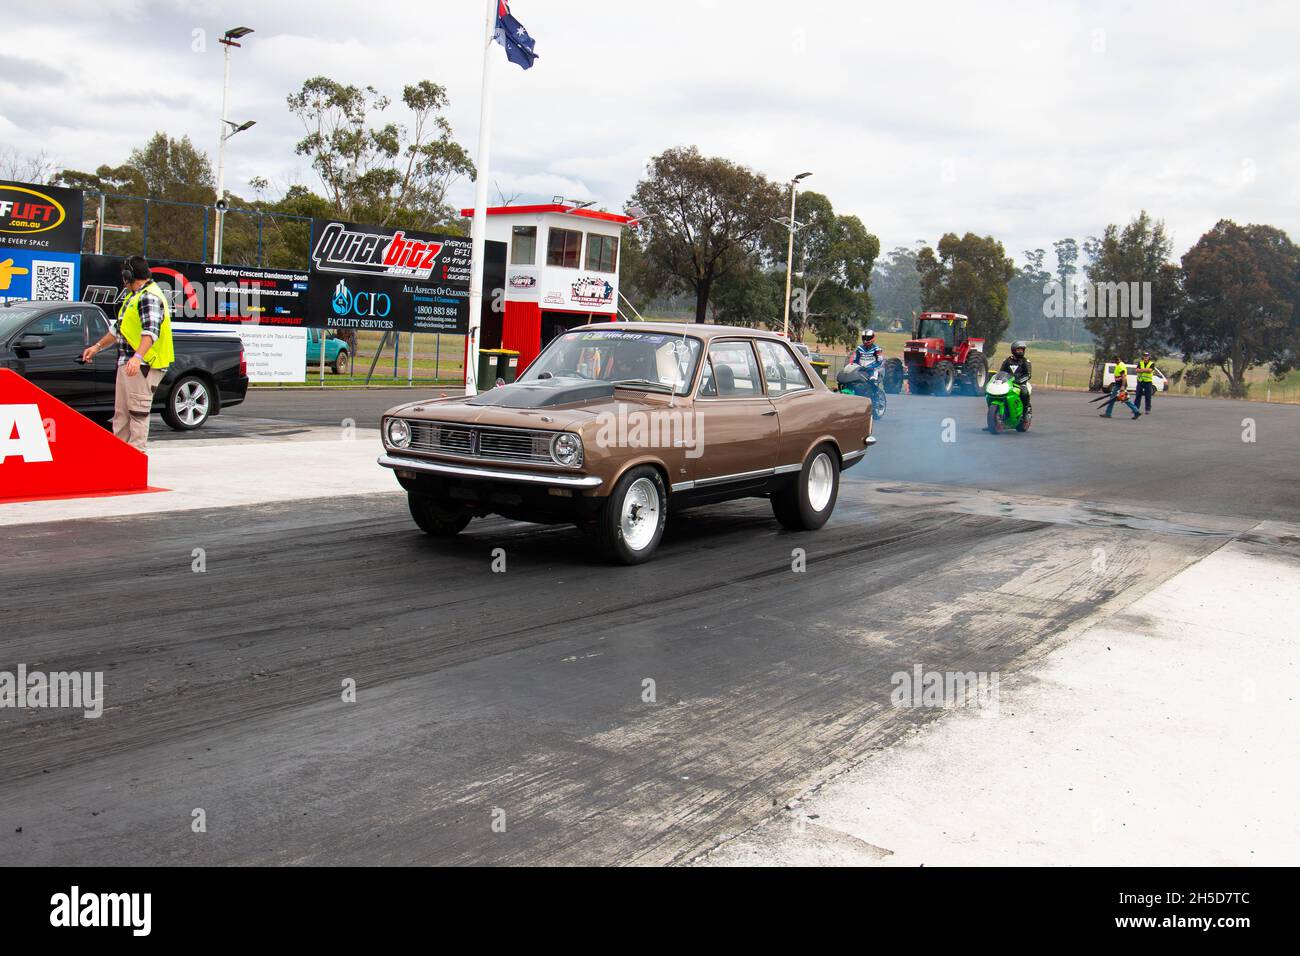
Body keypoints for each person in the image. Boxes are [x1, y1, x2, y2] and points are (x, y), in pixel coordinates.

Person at [81, 255, 175, 451]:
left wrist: (137, 357)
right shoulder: (134, 297)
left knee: (137, 414)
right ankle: (122, 460)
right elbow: (119, 329)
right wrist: (96, 347)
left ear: (128, 275)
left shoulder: (149, 296)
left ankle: (136, 459)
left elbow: (151, 331)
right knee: (121, 416)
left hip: (143, 366)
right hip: (129, 363)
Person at [1100, 353, 1141, 419]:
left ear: (1120, 359)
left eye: (1117, 359)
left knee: (1113, 399)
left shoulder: (1121, 366)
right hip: (1118, 385)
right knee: (1123, 399)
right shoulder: (1118, 365)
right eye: (1115, 359)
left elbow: (1123, 377)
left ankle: (1108, 413)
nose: (1116, 360)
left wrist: (1122, 386)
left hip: (1120, 386)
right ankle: (1136, 411)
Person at [1000, 340, 1032, 417]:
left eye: (1022, 350)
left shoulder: (1026, 361)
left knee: (1025, 393)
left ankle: (1024, 413)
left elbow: (1028, 375)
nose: (1020, 351)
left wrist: (1018, 382)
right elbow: (1001, 372)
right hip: (1007, 383)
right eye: (1018, 349)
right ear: (1013, 350)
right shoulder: (1007, 361)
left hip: (1021, 384)